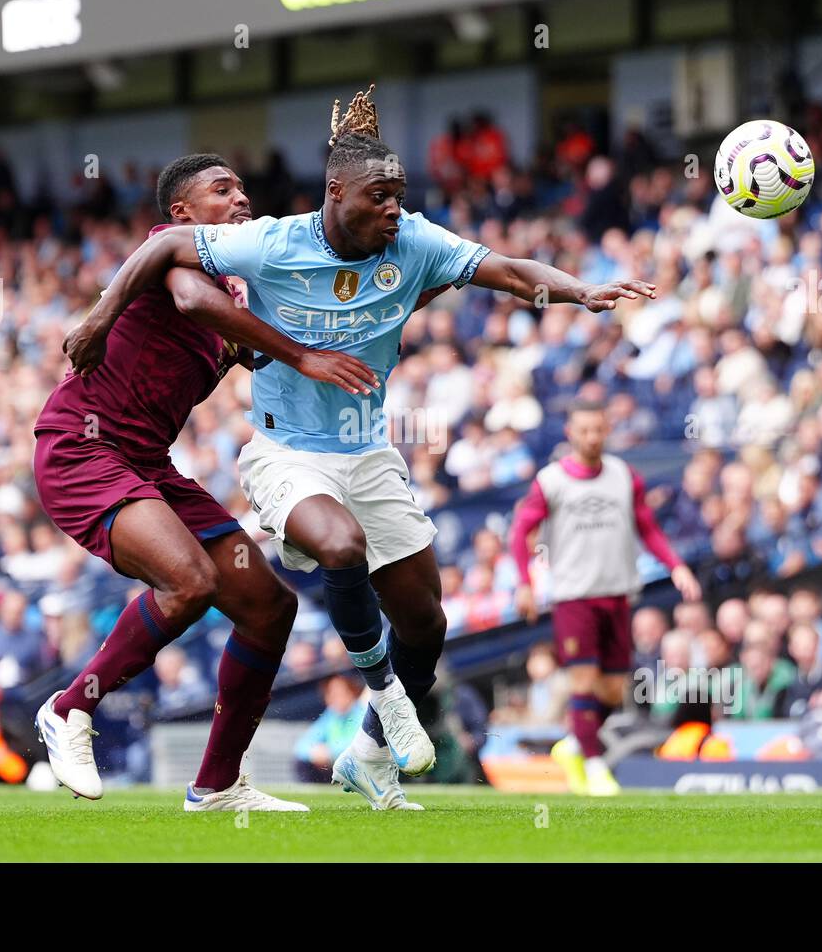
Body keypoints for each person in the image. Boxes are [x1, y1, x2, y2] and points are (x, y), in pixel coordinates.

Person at [64, 85, 656, 811]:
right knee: (326, 550)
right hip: (282, 456)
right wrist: (102, 318)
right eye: (381, 195)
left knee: (423, 622)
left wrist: (581, 289)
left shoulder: (408, 243)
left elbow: (510, 271)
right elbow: (168, 264)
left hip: (367, 455)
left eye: (400, 195)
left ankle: (362, 753)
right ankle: (77, 709)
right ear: (336, 192)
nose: (395, 209)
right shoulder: (265, 247)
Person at [33, 153, 378, 811]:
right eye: (222, 190)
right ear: (184, 214)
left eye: (244, 189)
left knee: (269, 607)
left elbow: (286, 333)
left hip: (150, 467)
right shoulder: (179, 260)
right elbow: (186, 287)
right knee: (190, 581)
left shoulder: (239, 297)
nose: (241, 198)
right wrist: (103, 317)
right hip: (83, 450)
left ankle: (217, 784)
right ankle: (71, 707)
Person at [509, 400, 699, 795]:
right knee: (583, 681)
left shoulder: (623, 476)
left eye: (599, 429)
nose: (592, 437)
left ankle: (575, 745)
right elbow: (520, 531)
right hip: (574, 595)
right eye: (584, 430)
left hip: (618, 592)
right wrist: (525, 582)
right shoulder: (551, 481)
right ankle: (595, 766)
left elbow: (647, 528)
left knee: (613, 690)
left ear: (607, 430)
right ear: (571, 433)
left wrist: (675, 565)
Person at [293, 675, 366, 784]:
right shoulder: (331, 715)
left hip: (356, 767)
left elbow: (358, 746)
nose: (337, 698)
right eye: (332, 694)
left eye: (341, 693)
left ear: (352, 692)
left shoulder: (362, 712)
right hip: (332, 764)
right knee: (302, 762)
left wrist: (329, 752)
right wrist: (314, 752)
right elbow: (301, 745)